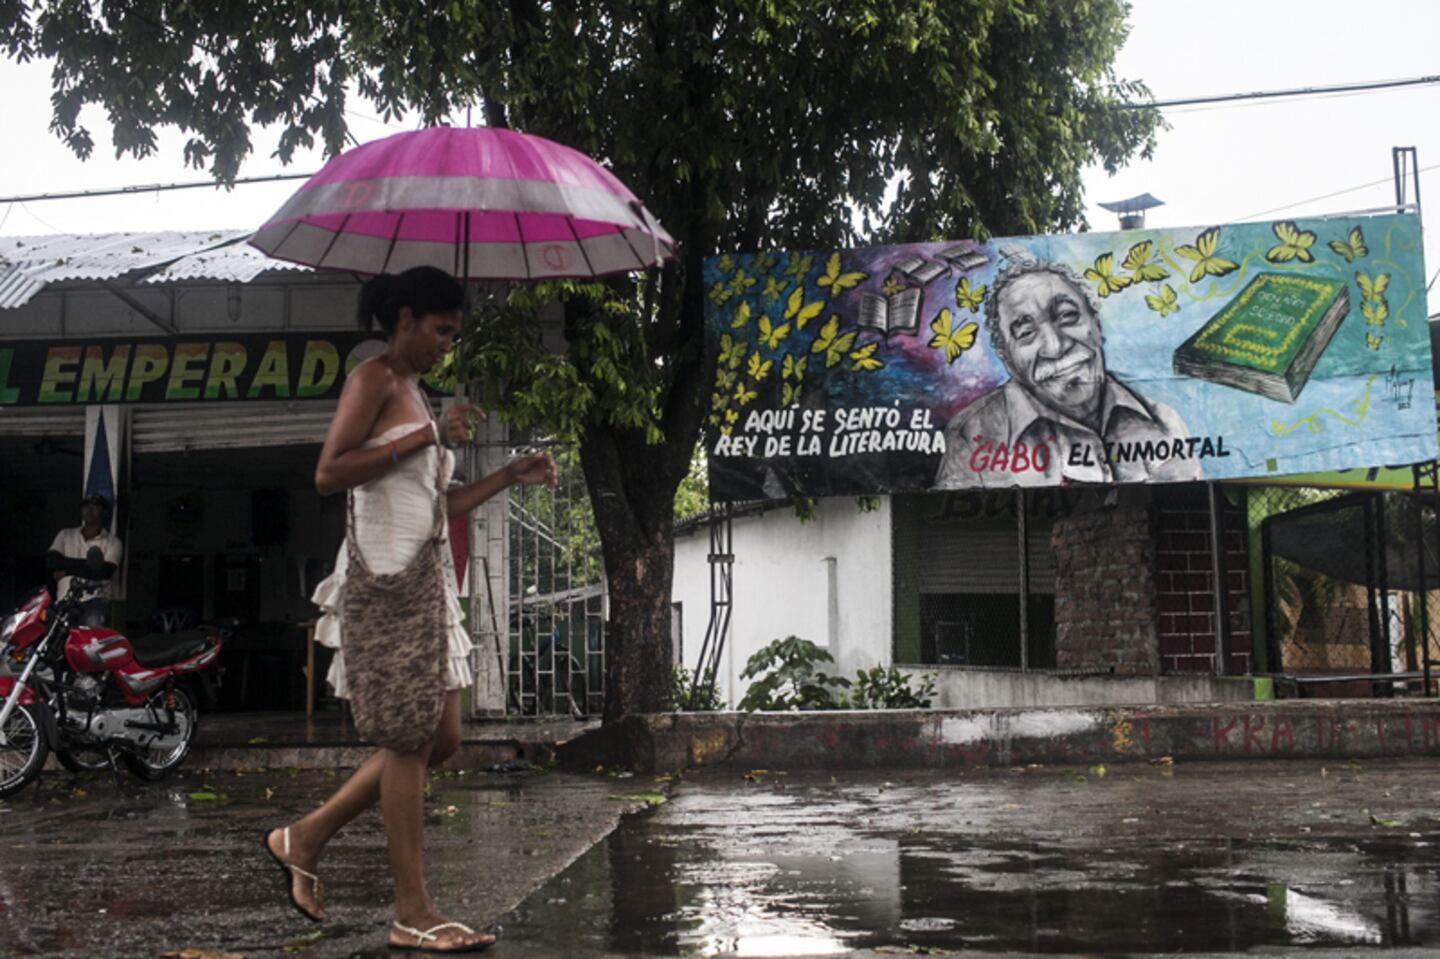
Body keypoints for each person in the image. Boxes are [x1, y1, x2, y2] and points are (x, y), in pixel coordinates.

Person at [263, 266, 556, 953]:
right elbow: (328, 472)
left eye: (454, 333)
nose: (448, 344)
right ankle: (412, 910)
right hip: (385, 583)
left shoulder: (418, 394)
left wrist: (506, 474)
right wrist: (426, 437)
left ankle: (304, 835)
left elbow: (437, 504)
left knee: (442, 738)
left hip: (425, 581)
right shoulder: (373, 378)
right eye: (441, 330)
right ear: (404, 318)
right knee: (409, 741)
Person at [933, 259, 1201, 489]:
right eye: (1026, 333)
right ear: (1008, 359)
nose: (1055, 346)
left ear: (1096, 326)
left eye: (1068, 316)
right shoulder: (971, 435)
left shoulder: (1164, 422)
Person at [46, 493, 123, 627]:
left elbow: (104, 572)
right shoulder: (65, 535)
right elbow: (52, 561)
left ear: (104, 511)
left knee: (91, 644)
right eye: (86, 506)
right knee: (58, 643)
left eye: (95, 506)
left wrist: (66, 571)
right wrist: (90, 565)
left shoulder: (113, 542)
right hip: (65, 600)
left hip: (94, 601)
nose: (89, 510)